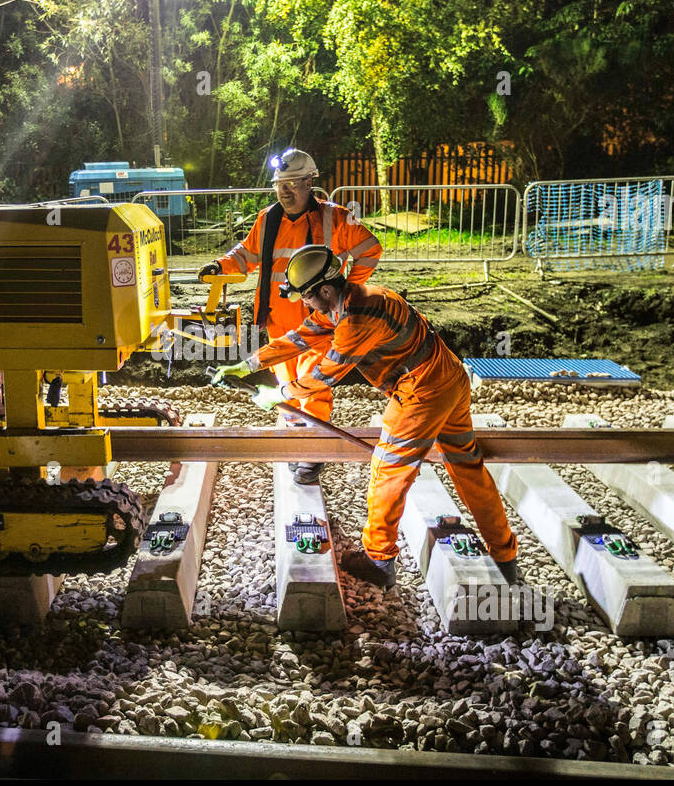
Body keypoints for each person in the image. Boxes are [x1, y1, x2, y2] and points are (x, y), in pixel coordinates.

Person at [212, 245, 519, 591]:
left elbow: (325, 375)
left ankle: (378, 560)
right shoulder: (351, 301)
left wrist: (279, 394)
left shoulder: (357, 320)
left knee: (388, 469)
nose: (304, 305)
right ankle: (505, 558)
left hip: (422, 392)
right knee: (467, 466)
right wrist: (249, 364)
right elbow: (300, 338)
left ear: (325, 291)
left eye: (307, 298)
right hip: (449, 377)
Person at [198, 148, 382, 484]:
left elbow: (370, 249)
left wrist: (346, 294)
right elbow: (246, 254)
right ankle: (297, 441)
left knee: (312, 386)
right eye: (280, 184)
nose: (285, 191)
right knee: (286, 384)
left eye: (293, 183)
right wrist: (220, 266)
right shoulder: (267, 219)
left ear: (310, 181)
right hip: (278, 319)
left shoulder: (336, 217)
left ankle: (312, 453)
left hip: (320, 322)